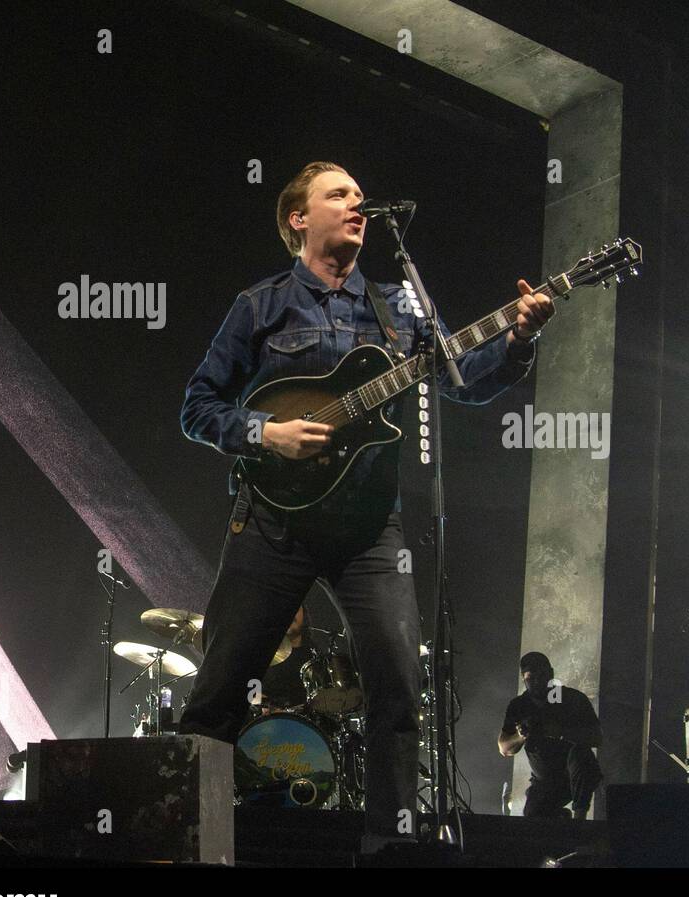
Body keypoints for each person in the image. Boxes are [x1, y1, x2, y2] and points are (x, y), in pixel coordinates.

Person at [177, 161, 553, 848]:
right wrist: (268, 433)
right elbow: (197, 408)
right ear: (299, 218)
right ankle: (189, 844)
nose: (358, 203)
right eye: (339, 194)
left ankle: (392, 847)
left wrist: (520, 337)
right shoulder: (258, 304)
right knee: (219, 692)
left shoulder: (399, 305)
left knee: (399, 687)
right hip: (273, 523)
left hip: (369, 530)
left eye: (359, 195)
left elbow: (464, 380)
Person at [498, 652, 602, 819]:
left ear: (551, 674)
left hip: (574, 775)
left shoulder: (571, 699)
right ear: (524, 678)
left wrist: (560, 732)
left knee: (580, 754)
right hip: (544, 781)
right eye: (531, 678)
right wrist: (521, 736)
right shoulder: (519, 705)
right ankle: (562, 817)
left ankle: (579, 820)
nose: (538, 682)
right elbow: (504, 748)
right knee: (534, 822)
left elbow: (597, 737)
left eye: (542, 676)